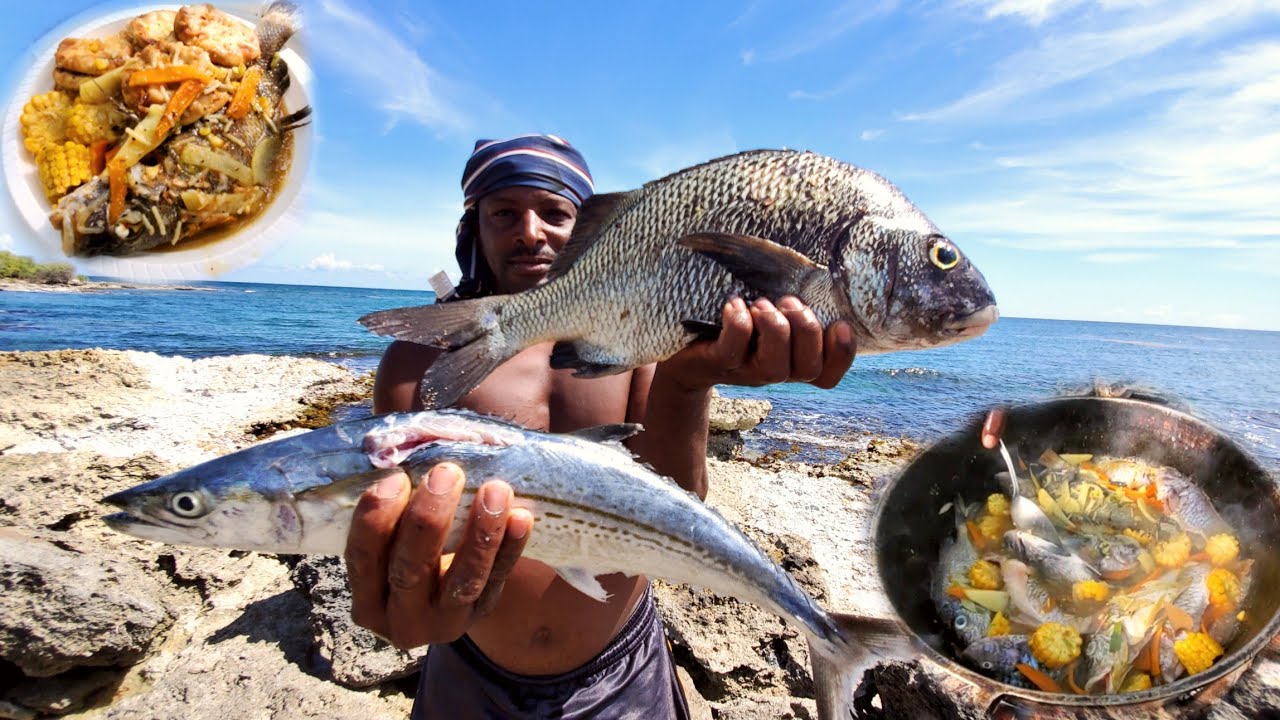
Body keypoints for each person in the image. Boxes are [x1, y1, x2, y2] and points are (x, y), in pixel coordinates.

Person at [341, 134, 859, 718]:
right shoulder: (416, 360)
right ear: (473, 228)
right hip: (468, 673)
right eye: (504, 212)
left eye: (556, 213)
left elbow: (677, 499)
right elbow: (401, 510)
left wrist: (687, 383)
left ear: (597, 235)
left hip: (622, 670)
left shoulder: (637, 344)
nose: (531, 232)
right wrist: (412, 588)